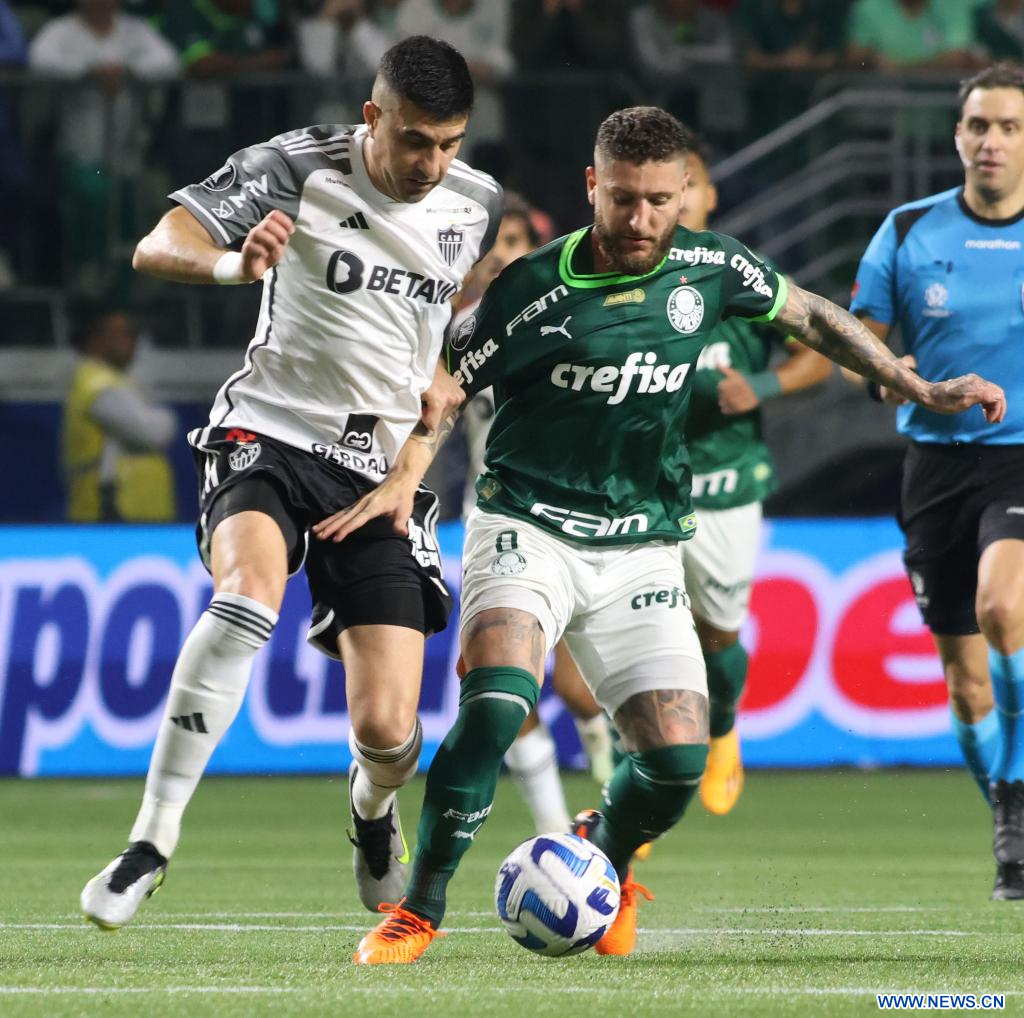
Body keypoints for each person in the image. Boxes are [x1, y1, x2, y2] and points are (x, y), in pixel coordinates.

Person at [318, 105, 1004, 963]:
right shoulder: (535, 290)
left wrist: (911, 382)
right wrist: (406, 477)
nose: (640, 221)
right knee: (497, 705)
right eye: (623, 200)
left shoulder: (712, 268)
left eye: (658, 201)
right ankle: (418, 910)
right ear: (593, 188)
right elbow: (447, 387)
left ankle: (598, 857)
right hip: (525, 523)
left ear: (686, 194)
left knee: (677, 763)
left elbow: (814, 317)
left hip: (641, 539)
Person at [79, 36, 503, 930]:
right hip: (267, 431)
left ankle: (372, 811)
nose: (432, 163)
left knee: (390, 733)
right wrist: (235, 265)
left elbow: (441, 324)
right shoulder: (295, 165)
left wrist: (436, 378)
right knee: (247, 597)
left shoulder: (477, 205)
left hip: (377, 474)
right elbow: (161, 244)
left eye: (450, 143)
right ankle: (150, 841)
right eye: (416, 140)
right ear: (372, 117)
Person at [849, 63, 1024, 900]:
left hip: (1019, 455)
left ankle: (1018, 794)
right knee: (964, 679)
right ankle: (1010, 816)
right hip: (934, 466)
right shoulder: (909, 228)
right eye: (979, 126)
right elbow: (866, 351)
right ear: (956, 136)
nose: (992, 141)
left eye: (1010, 127)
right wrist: (894, 375)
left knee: (1003, 607)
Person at [678, 140, 832, 815]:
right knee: (644, 637)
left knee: (717, 637)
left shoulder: (741, 276)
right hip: (644, 489)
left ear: (711, 196)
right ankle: (639, 785)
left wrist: (761, 383)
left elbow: (817, 356)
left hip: (727, 488)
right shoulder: (619, 275)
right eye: (663, 186)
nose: (676, 198)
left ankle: (722, 728)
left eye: (690, 185)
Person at [457, 195, 614, 835]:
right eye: (491, 241)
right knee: (494, 679)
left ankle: (609, 798)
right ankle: (556, 833)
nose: (502, 253)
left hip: (579, 522)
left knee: (578, 692)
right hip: (496, 518)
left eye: (517, 240)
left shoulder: (577, 321)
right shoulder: (455, 331)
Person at [63, 305, 176, 522]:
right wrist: (167, 419)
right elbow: (153, 432)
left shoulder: (106, 379)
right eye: (122, 333)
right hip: (113, 508)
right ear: (96, 338)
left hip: (128, 509)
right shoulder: (99, 384)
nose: (131, 341)